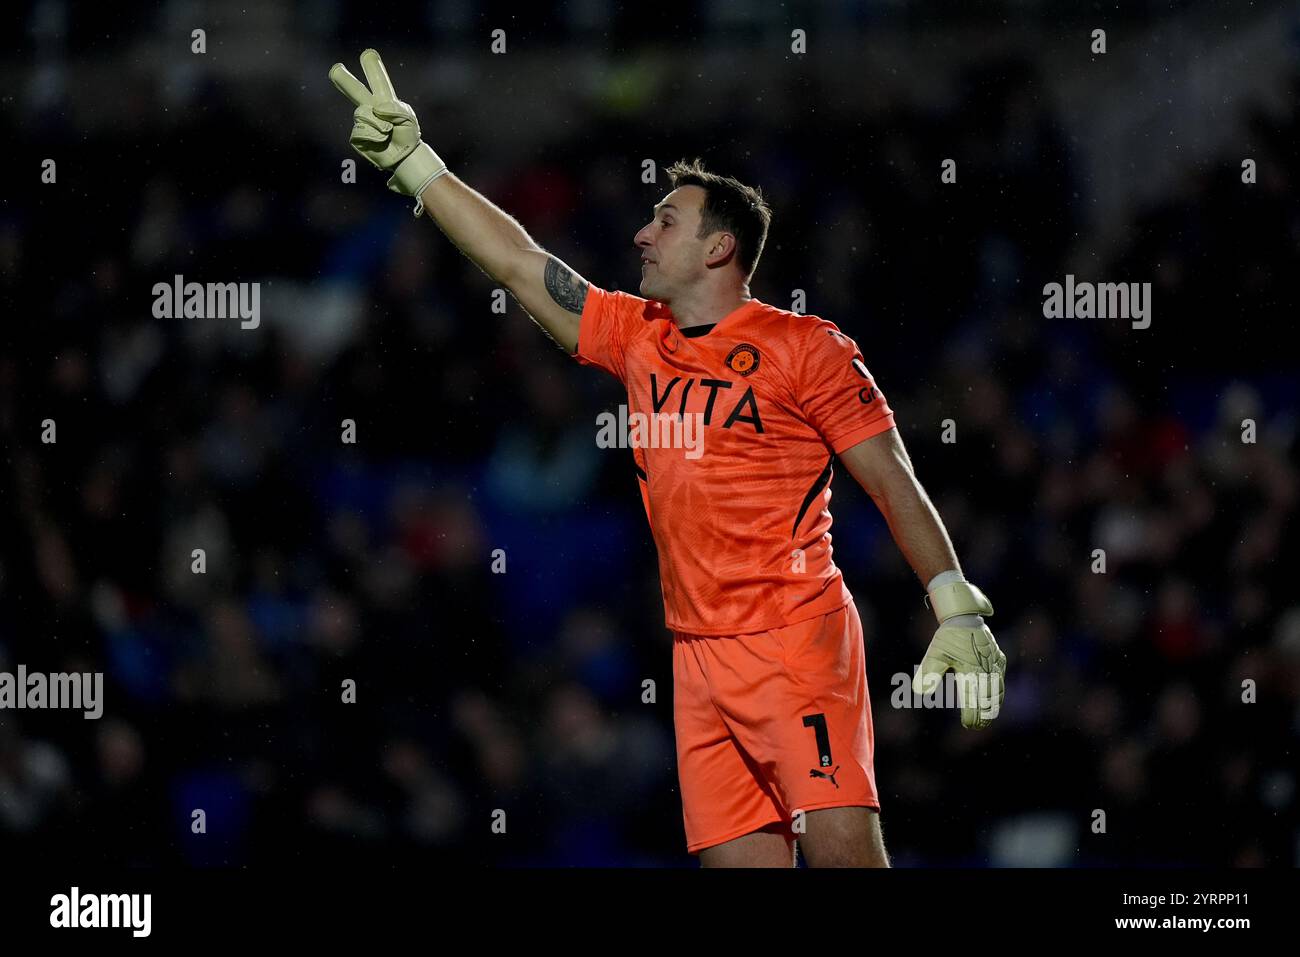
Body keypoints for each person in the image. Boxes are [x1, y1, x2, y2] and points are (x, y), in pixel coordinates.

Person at [329, 50, 1007, 867]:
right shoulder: (635, 336)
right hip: (695, 654)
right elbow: (516, 260)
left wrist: (953, 602)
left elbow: (893, 478)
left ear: (720, 249)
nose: (642, 233)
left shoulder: (806, 347)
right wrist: (418, 165)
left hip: (795, 639)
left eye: (666, 220)